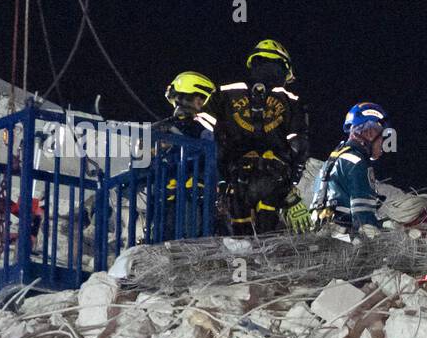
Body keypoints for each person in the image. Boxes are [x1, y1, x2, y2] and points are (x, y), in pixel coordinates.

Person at [199, 40, 311, 235]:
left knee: (239, 240)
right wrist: (290, 187)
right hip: (273, 181)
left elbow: (204, 136)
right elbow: (298, 146)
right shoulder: (292, 101)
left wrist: (221, 179)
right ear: (284, 67)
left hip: (236, 180)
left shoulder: (224, 93)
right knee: (268, 241)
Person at [150, 71, 217, 238]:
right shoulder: (161, 128)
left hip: (183, 199)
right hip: (176, 199)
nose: (202, 104)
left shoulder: (204, 128)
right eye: (200, 99)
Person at [310, 101, 389, 237]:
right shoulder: (358, 162)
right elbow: (364, 218)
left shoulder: (333, 159)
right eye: (382, 137)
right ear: (370, 133)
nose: (383, 143)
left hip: (325, 234)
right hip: (346, 239)